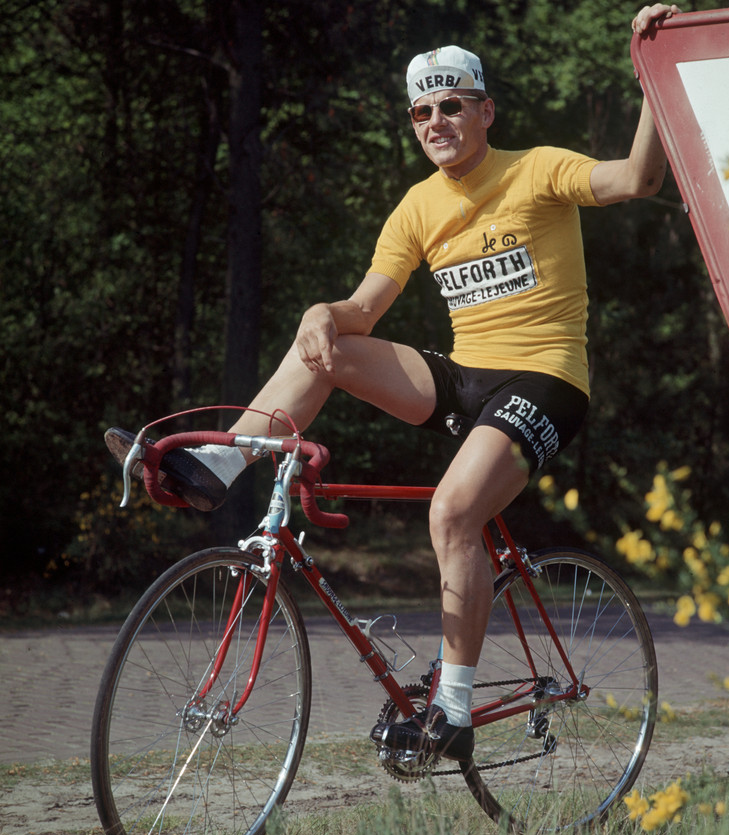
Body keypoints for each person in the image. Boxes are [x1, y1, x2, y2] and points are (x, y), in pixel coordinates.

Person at [106, 4, 680, 762]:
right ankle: (221, 466)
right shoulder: (417, 205)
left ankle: (453, 713)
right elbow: (365, 309)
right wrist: (322, 311)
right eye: (422, 111)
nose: (437, 121)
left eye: (452, 106)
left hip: (545, 380)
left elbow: (639, 178)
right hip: (464, 377)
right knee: (326, 347)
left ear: (484, 111)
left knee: (450, 514)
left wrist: (652, 73)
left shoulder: (537, 168)